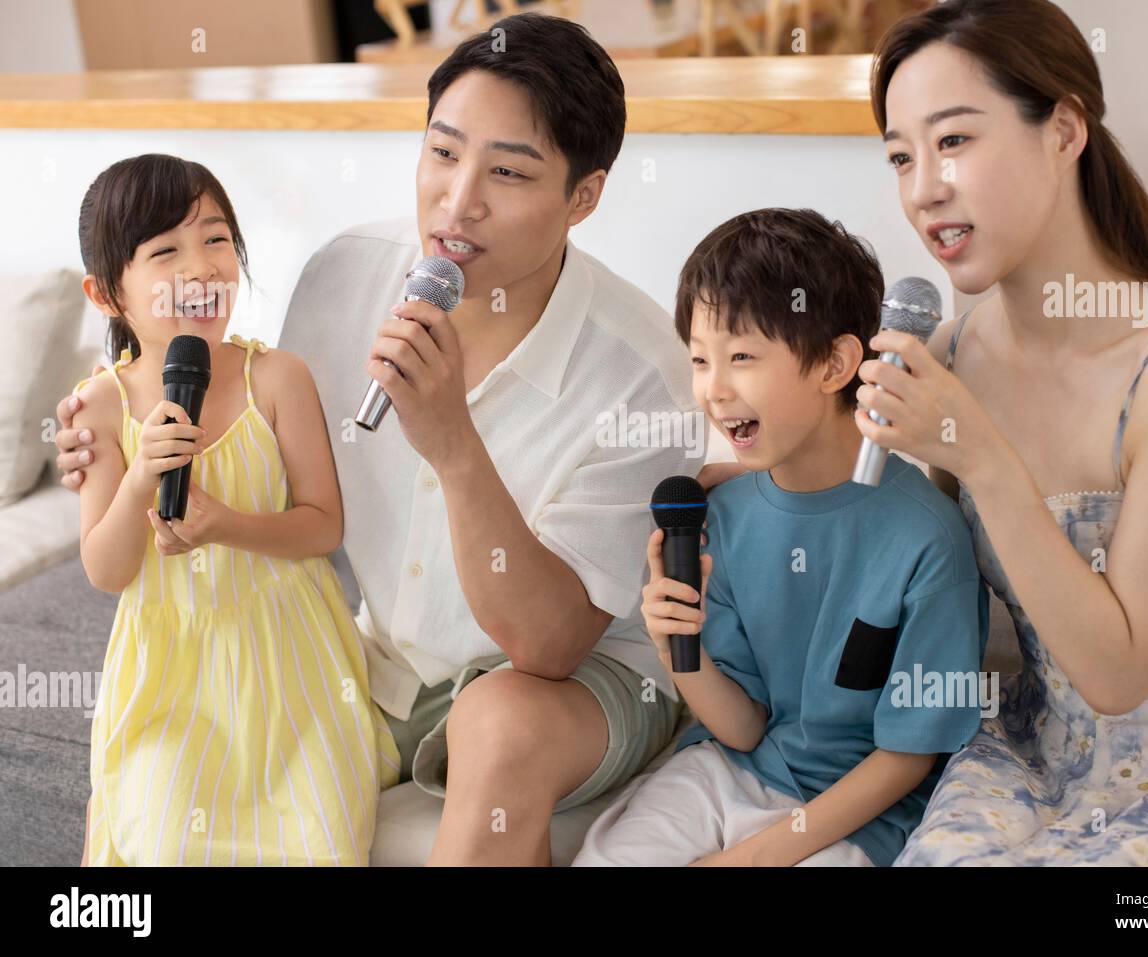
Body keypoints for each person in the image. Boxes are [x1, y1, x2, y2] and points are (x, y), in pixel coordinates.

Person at [56, 15, 699, 866]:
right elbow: (265, 457)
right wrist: (114, 426)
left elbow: (546, 646)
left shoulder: (643, 375)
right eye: (442, 152)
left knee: (498, 717)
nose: (457, 200)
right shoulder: (344, 274)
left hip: (573, 681)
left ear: (583, 196)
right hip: (377, 656)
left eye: (506, 171)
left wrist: (453, 443)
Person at [853, 0, 1148, 865]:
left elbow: (1118, 674)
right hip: (1038, 755)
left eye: (953, 142)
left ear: (1063, 131)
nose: (922, 190)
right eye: (902, 157)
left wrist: (979, 451)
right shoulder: (958, 351)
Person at [573, 209, 988, 867]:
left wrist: (755, 856)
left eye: (742, 357)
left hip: (856, 814)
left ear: (834, 362)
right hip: (726, 772)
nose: (714, 388)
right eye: (701, 360)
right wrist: (676, 646)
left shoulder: (926, 539)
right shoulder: (721, 513)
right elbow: (741, 726)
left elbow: (910, 754)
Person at [73, 154, 398, 866]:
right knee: (161, 841)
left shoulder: (277, 378)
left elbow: (322, 523)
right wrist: (139, 481)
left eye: (217, 239)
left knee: (318, 839)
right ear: (106, 293)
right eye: (166, 250)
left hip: (291, 655)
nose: (202, 267)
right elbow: (105, 567)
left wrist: (225, 524)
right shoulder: (101, 403)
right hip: (168, 667)